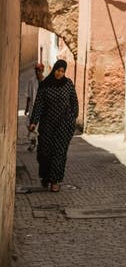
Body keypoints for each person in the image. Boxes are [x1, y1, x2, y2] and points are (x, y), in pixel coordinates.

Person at [28, 59, 79, 192]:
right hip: (47, 125)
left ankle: (55, 181)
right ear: (54, 69)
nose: (59, 73)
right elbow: (39, 104)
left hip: (64, 126)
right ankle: (46, 177)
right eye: (58, 70)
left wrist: (72, 118)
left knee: (59, 153)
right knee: (44, 152)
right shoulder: (45, 85)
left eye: (62, 71)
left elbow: (74, 102)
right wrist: (34, 122)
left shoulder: (68, 84)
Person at [24, 63, 45, 151]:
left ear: (42, 71)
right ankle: (33, 140)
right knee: (29, 124)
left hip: (43, 108)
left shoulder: (46, 81)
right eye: (36, 70)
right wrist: (26, 108)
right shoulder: (31, 81)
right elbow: (28, 96)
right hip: (33, 107)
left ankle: (35, 142)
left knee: (39, 126)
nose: (37, 72)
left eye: (39, 70)